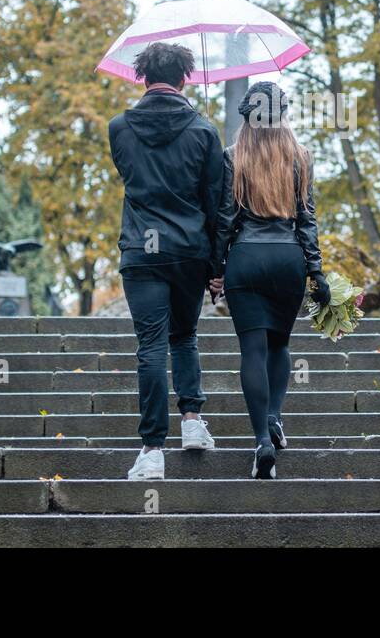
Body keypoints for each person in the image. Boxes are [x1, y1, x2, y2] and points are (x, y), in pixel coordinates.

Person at [108, 42, 223, 481]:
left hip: (142, 249)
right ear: (185, 77)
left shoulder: (119, 127)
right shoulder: (204, 130)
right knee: (185, 336)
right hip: (189, 250)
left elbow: (133, 176)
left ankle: (152, 450)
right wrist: (217, 266)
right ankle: (192, 424)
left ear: (141, 75)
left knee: (150, 347)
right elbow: (215, 202)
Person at [210, 81, 329, 478]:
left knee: (252, 352)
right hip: (287, 259)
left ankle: (261, 439)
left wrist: (216, 270)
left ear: (246, 117)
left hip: (246, 257)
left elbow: (225, 219)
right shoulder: (301, 157)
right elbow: (307, 220)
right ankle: (275, 416)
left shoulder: (233, 156)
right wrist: (317, 272)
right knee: (279, 344)